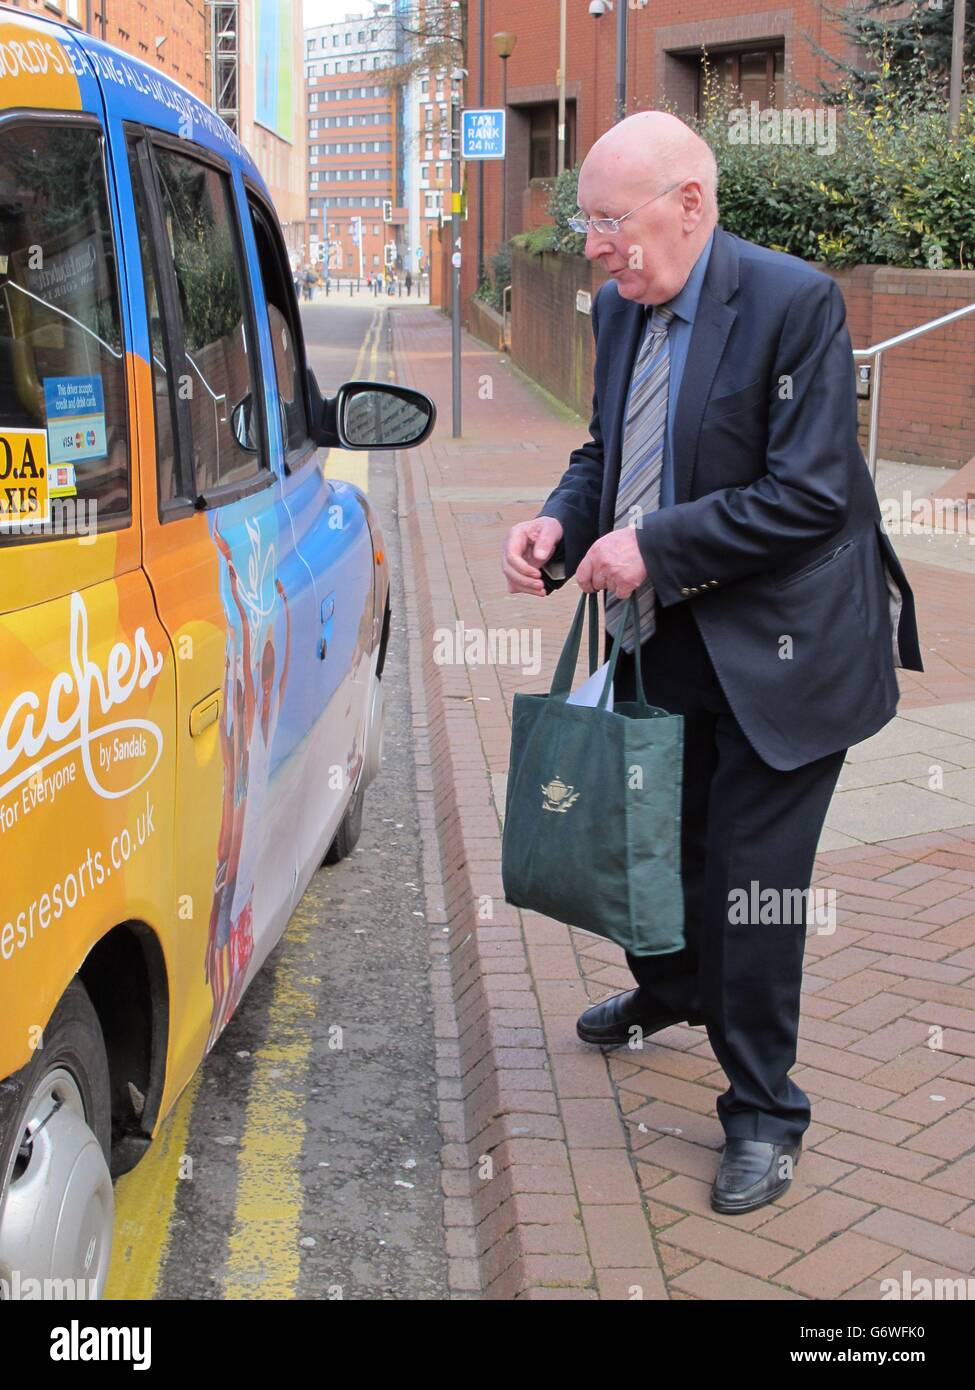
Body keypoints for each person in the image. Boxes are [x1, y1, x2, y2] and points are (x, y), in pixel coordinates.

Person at [501, 110, 922, 1217]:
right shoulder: (618, 305)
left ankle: (764, 1110)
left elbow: (811, 494)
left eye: (608, 221)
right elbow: (611, 451)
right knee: (660, 843)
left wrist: (653, 543)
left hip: (790, 654)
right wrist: (560, 524)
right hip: (674, 630)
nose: (592, 245)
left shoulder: (793, 304)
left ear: (689, 205)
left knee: (753, 887)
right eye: (585, 221)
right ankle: (674, 991)